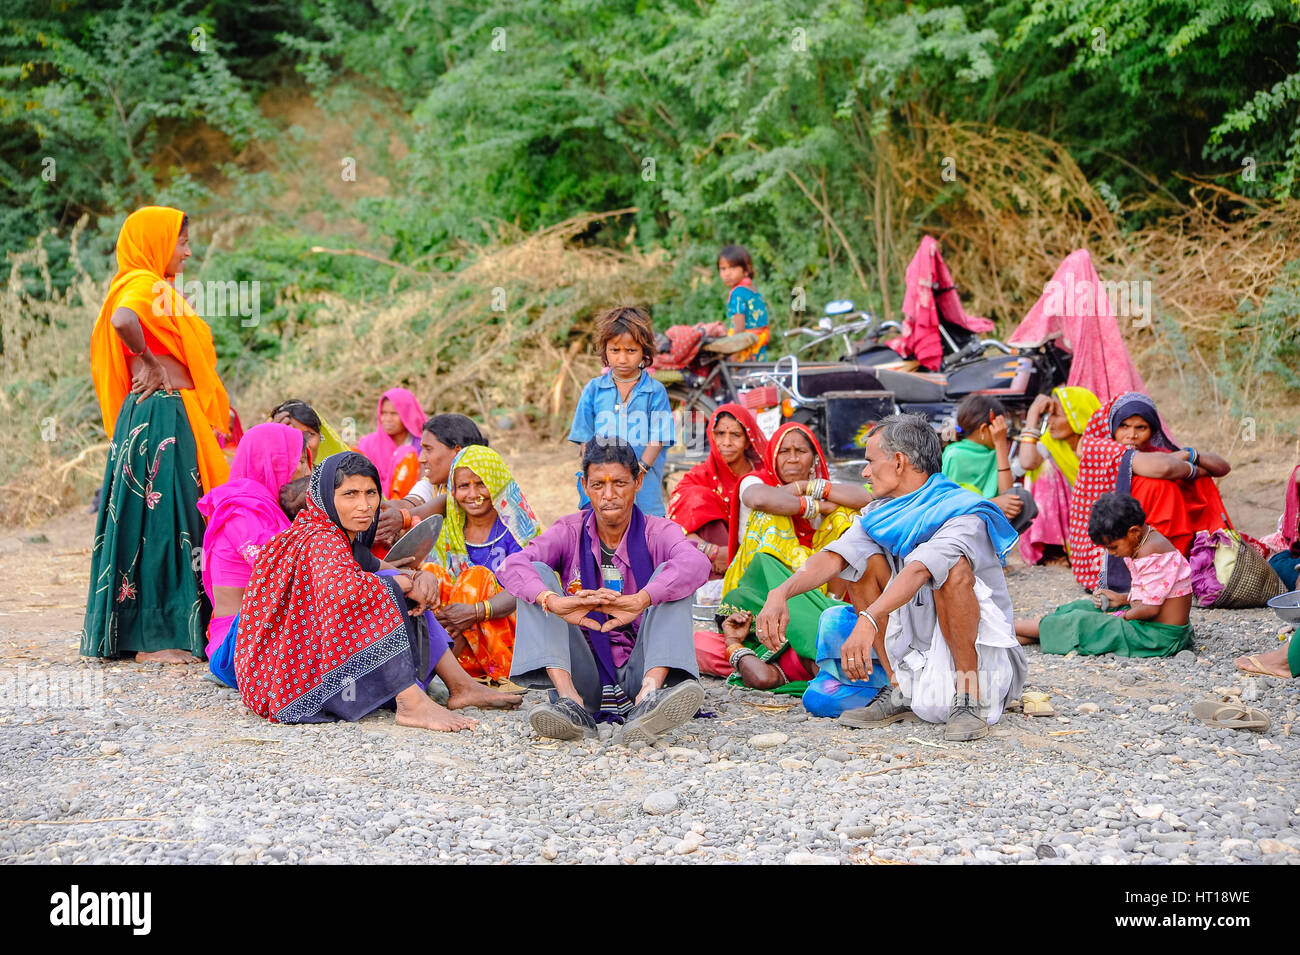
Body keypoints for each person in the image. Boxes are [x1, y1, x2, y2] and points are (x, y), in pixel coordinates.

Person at [756, 415, 1026, 741]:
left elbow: (920, 569)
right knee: (859, 564)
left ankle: (969, 698)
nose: (865, 472)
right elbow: (834, 557)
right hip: (919, 658)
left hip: (984, 669)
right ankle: (899, 687)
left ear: (899, 462)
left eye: (870, 461)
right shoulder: (880, 513)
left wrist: (869, 619)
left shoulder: (962, 511)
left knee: (952, 570)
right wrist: (780, 593)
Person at [235, 453, 521, 730]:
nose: (364, 505)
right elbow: (346, 594)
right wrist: (406, 583)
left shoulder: (335, 532)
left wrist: (420, 577)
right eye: (350, 494)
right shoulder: (321, 539)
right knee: (379, 589)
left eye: (370, 493)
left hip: (302, 662)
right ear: (325, 497)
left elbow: (388, 570)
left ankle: (461, 686)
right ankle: (411, 702)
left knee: (387, 581)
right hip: (289, 681)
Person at [82, 206, 231, 664]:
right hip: (161, 415)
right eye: (180, 242)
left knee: (165, 521)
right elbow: (123, 320)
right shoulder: (142, 286)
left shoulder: (153, 287)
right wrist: (146, 360)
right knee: (164, 523)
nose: (188, 251)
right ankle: (156, 638)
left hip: (161, 414)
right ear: (155, 243)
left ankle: (160, 631)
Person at [497, 440, 711, 742]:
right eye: (598, 485)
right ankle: (571, 703)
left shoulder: (658, 531)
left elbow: (696, 563)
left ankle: (648, 699)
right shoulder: (569, 530)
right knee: (537, 576)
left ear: (638, 482)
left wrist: (642, 599)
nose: (608, 496)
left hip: (642, 664)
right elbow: (512, 566)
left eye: (620, 483)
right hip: (585, 672)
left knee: (672, 575)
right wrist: (554, 601)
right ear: (584, 485)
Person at [705, 422, 872, 694]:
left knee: (847, 516)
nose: (792, 458)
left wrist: (809, 486)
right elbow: (759, 499)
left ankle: (824, 607)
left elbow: (867, 498)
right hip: (761, 584)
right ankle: (819, 624)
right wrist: (812, 504)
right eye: (784, 451)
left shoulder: (820, 485)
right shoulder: (757, 479)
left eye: (801, 451)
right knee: (771, 514)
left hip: (814, 586)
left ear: (814, 457)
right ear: (772, 455)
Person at [1069, 391, 1232, 591]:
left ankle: (1200, 557)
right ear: (1113, 428)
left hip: (1155, 529)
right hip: (1113, 542)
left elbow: (1222, 468)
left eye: (1141, 428)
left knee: (1200, 482)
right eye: (1124, 426)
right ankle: (1158, 568)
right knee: (1160, 484)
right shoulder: (1104, 449)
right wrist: (1184, 461)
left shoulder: (1156, 454)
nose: (1132, 435)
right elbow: (1164, 468)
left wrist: (1191, 454)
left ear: (1152, 430)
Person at [1018, 494, 1194, 658]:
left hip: (1158, 637)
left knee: (1083, 622)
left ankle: (1006, 629)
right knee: (1081, 607)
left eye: (1113, 547)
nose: (1111, 553)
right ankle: (1028, 634)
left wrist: (1119, 616)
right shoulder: (1143, 542)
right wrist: (1122, 600)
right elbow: (1153, 594)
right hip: (1148, 623)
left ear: (1133, 532)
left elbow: (1151, 609)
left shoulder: (1151, 552)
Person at [422, 445, 541, 686]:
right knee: (429, 574)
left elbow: (531, 592)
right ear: (453, 491)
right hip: (456, 636)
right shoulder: (449, 531)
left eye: (481, 483)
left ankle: (439, 676)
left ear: (496, 484)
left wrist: (476, 611)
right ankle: (443, 670)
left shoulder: (519, 532)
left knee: (475, 577)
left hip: (506, 643)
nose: (473, 493)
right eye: (464, 486)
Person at [196, 423, 311, 659]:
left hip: (262, 635)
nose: (307, 470)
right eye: (299, 462)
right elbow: (285, 573)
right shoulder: (243, 512)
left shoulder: (268, 508)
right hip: (238, 646)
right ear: (272, 463)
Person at [569, 306, 675, 517]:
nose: (623, 358)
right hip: (602, 485)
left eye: (631, 350)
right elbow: (585, 439)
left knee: (645, 536)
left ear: (644, 352)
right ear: (605, 351)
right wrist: (596, 474)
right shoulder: (594, 389)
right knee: (601, 535)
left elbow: (658, 438)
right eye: (615, 350)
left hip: (643, 485)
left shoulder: (655, 391)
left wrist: (638, 472)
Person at [667, 403, 769, 576]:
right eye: (720, 434)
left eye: (735, 435)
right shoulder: (698, 476)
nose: (726, 442)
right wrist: (713, 552)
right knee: (699, 498)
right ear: (711, 436)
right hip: (713, 562)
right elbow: (674, 530)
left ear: (747, 441)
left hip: (759, 555)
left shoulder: (763, 475)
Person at [1015, 386, 1101, 564]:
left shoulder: (1100, 445)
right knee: (1041, 469)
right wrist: (1032, 417)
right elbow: (1027, 462)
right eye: (1049, 416)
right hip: (1073, 520)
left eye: (1057, 415)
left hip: (1096, 519)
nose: (1051, 422)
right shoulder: (1051, 442)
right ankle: (1053, 549)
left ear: (1078, 416)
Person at [376, 413, 490, 545]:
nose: (421, 459)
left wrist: (403, 518)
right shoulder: (436, 484)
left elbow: (446, 502)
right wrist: (383, 510)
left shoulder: (482, 486)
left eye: (428, 450)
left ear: (457, 452)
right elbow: (413, 501)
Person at [941, 393, 1036, 533]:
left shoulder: (995, 453)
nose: (1004, 432)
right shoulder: (955, 454)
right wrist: (990, 503)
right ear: (984, 429)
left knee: (1022, 498)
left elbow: (1007, 494)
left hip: (990, 522)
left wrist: (1000, 445)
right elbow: (948, 505)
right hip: (960, 524)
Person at [357, 387, 426, 499]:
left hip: (414, 505)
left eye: (394, 414)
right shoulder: (367, 444)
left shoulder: (424, 445)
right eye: (383, 413)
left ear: (407, 414)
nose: (387, 419)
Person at [718, 244, 770, 362]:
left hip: (745, 351)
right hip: (759, 350)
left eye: (733, 268)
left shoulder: (737, 294)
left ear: (746, 270)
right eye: (723, 269)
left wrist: (733, 357)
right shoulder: (753, 290)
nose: (727, 273)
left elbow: (739, 330)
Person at [269, 398, 349, 465]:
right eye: (290, 437)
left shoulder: (336, 479)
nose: (301, 444)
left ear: (320, 436)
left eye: (307, 435)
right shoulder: (263, 481)